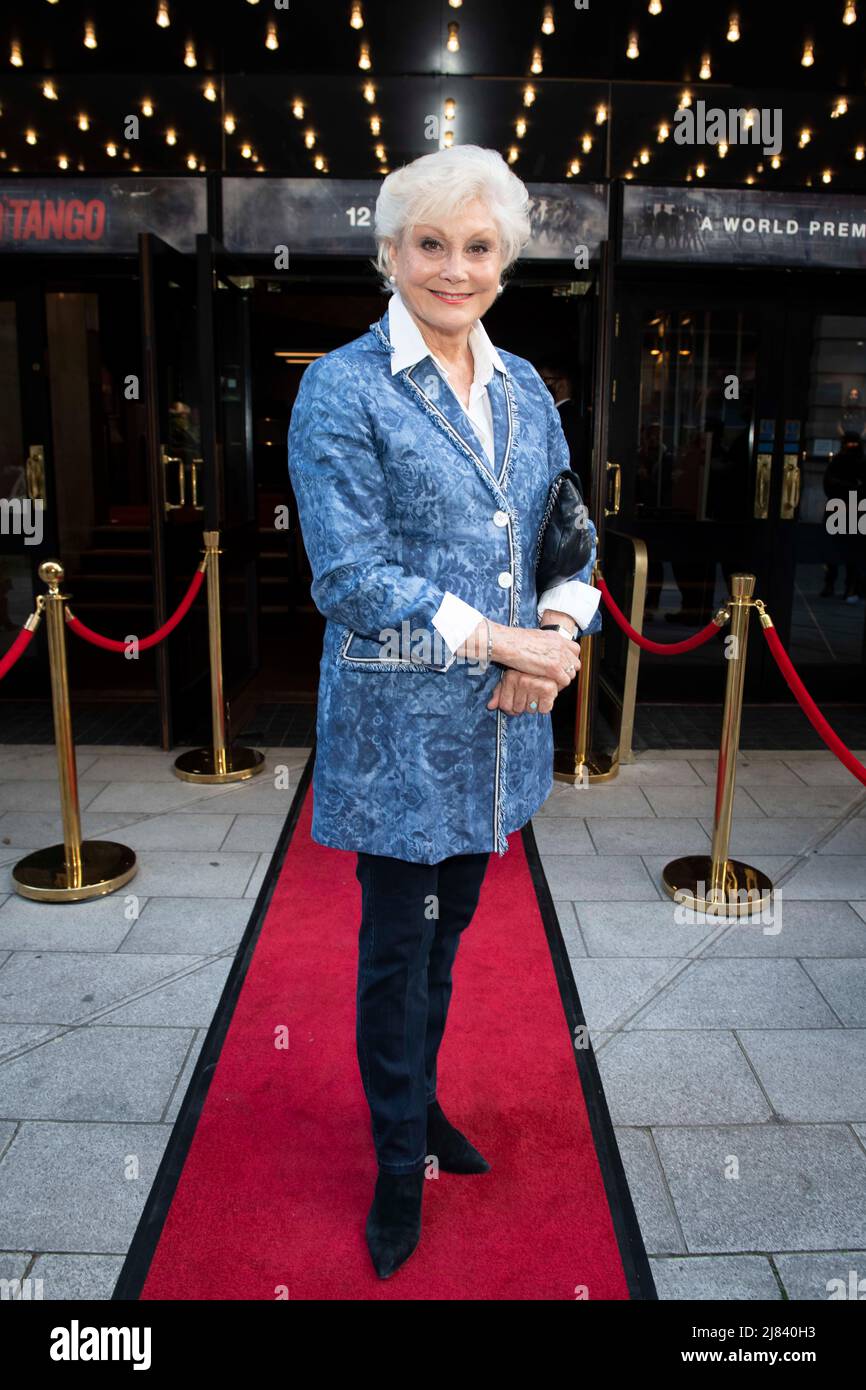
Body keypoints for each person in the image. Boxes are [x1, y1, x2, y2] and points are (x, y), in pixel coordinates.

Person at [287, 144, 598, 1280]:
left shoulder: (523, 390)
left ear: (504, 263)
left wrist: (555, 635)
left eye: (476, 249)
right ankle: (393, 1158)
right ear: (390, 252)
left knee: (447, 943)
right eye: (430, 245)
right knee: (395, 955)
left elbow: (571, 538)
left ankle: (417, 1112)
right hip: (397, 745)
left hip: (497, 738)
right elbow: (351, 580)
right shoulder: (342, 387)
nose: (452, 270)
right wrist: (501, 638)